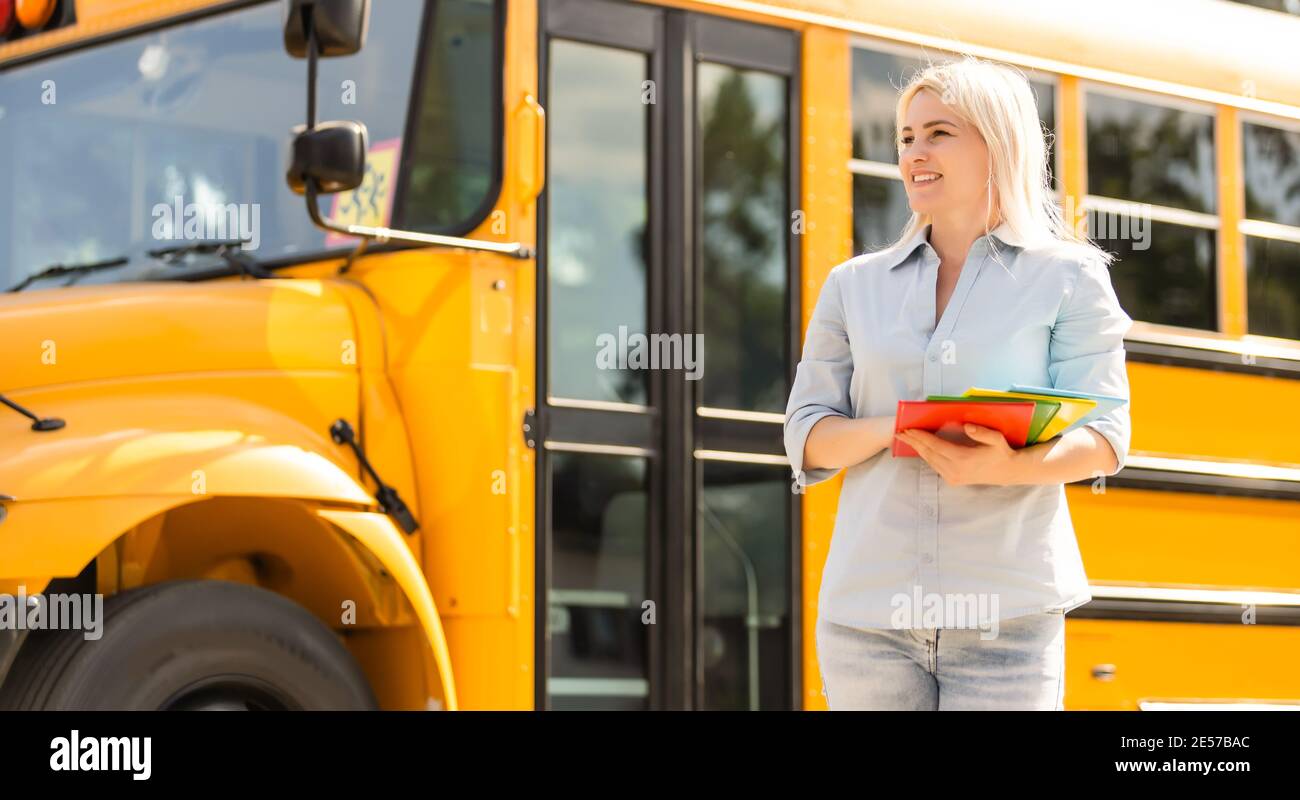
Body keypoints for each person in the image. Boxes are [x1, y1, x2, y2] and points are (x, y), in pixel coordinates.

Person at [785, 55, 1132, 710]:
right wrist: (898, 427)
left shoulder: (1069, 278)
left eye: (939, 133)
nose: (916, 151)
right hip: (867, 620)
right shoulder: (852, 286)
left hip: (1009, 615)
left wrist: (1004, 468)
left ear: (996, 142)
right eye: (907, 137)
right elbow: (806, 436)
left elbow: (1106, 438)